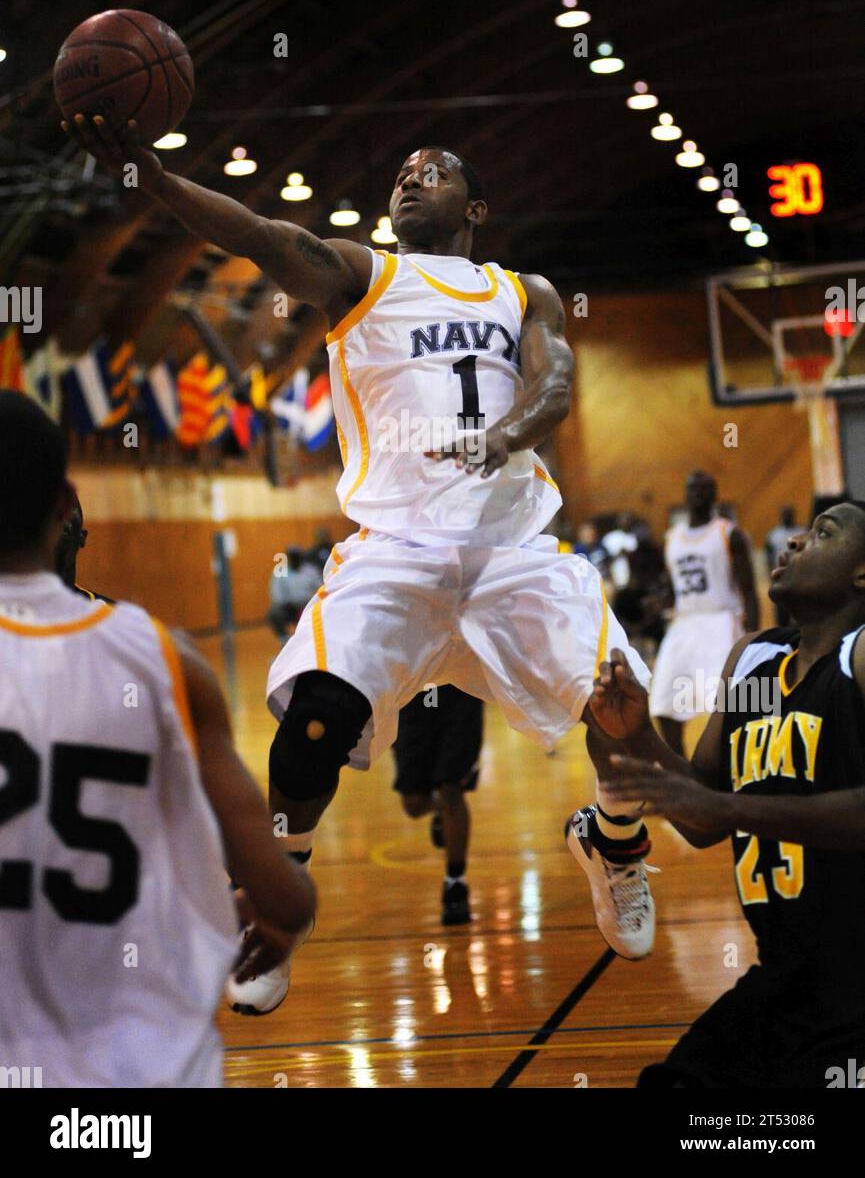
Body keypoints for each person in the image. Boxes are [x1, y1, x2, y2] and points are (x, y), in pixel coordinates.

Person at [65, 118, 658, 1015]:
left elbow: (555, 386)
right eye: (404, 170)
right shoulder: (361, 274)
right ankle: (271, 912)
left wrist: (504, 436)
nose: (412, 179)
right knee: (314, 718)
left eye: (436, 171)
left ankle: (613, 846)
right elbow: (259, 236)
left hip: (512, 550)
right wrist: (152, 178)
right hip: (395, 553)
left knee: (619, 700)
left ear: (477, 208)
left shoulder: (520, 290)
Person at [0, 390, 315, 1081]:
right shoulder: (165, 660)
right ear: (67, 503)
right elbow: (287, 899)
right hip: (137, 1067)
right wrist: (253, 905)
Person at [586, 500, 865, 1088]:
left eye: (824, 533)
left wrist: (730, 807)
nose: (792, 542)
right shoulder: (758, 663)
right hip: (786, 978)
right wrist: (636, 735)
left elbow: (722, 808)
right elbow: (703, 818)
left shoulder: (857, 658)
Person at [649, 471, 759, 756]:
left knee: (729, 705)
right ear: (684, 494)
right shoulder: (671, 538)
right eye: (693, 488)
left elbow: (749, 589)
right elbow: (674, 588)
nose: (698, 493)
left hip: (721, 622)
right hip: (684, 624)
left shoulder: (729, 533)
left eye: (705, 488)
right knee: (663, 702)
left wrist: (756, 639)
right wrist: (660, 603)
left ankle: (732, 767)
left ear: (715, 494)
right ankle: (683, 772)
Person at [393, 683, 484, 925]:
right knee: (413, 803)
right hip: (413, 692)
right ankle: (440, 810)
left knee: (452, 788)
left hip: (460, 690)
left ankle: (455, 883)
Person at [54, 490, 114, 603]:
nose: (51, 541)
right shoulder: (11, 614)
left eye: (65, 530)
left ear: (81, 537)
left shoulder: (118, 617)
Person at [268, 546, 321, 639]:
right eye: (292, 557)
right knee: (275, 613)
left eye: (297, 557)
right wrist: (285, 602)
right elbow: (276, 592)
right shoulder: (280, 571)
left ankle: (314, 638)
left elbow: (321, 586)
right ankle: (284, 638)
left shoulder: (310, 570)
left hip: (309, 605)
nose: (295, 560)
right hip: (290, 607)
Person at [765, 505, 797, 624]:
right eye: (785, 514)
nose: (787, 517)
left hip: (798, 576)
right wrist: (771, 575)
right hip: (780, 577)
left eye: (789, 514)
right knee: (781, 609)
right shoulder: (773, 535)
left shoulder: (801, 532)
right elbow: (769, 555)